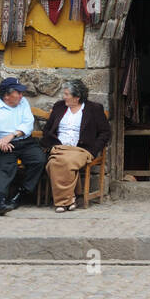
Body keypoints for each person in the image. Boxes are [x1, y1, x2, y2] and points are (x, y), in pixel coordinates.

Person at [40, 78, 111, 212]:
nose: (63, 97)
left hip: (81, 149)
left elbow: (105, 132)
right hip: (60, 148)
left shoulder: (94, 109)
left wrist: (94, 150)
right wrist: (50, 142)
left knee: (62, 162)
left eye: (67, 94)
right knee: (53, 164)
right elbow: (48, 129)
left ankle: (62, 202)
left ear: (77, 97)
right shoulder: (59, 107)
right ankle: (72, 198)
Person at [0, 77, 43, 216]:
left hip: (23, 141)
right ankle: (1, 201)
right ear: (6, 95)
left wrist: (12, 135)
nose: (21, 95)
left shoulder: (23, 103)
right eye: (18, 92)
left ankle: (21, 193)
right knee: (5, 166)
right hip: (2, 145)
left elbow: (28, 123)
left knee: (39, 159)